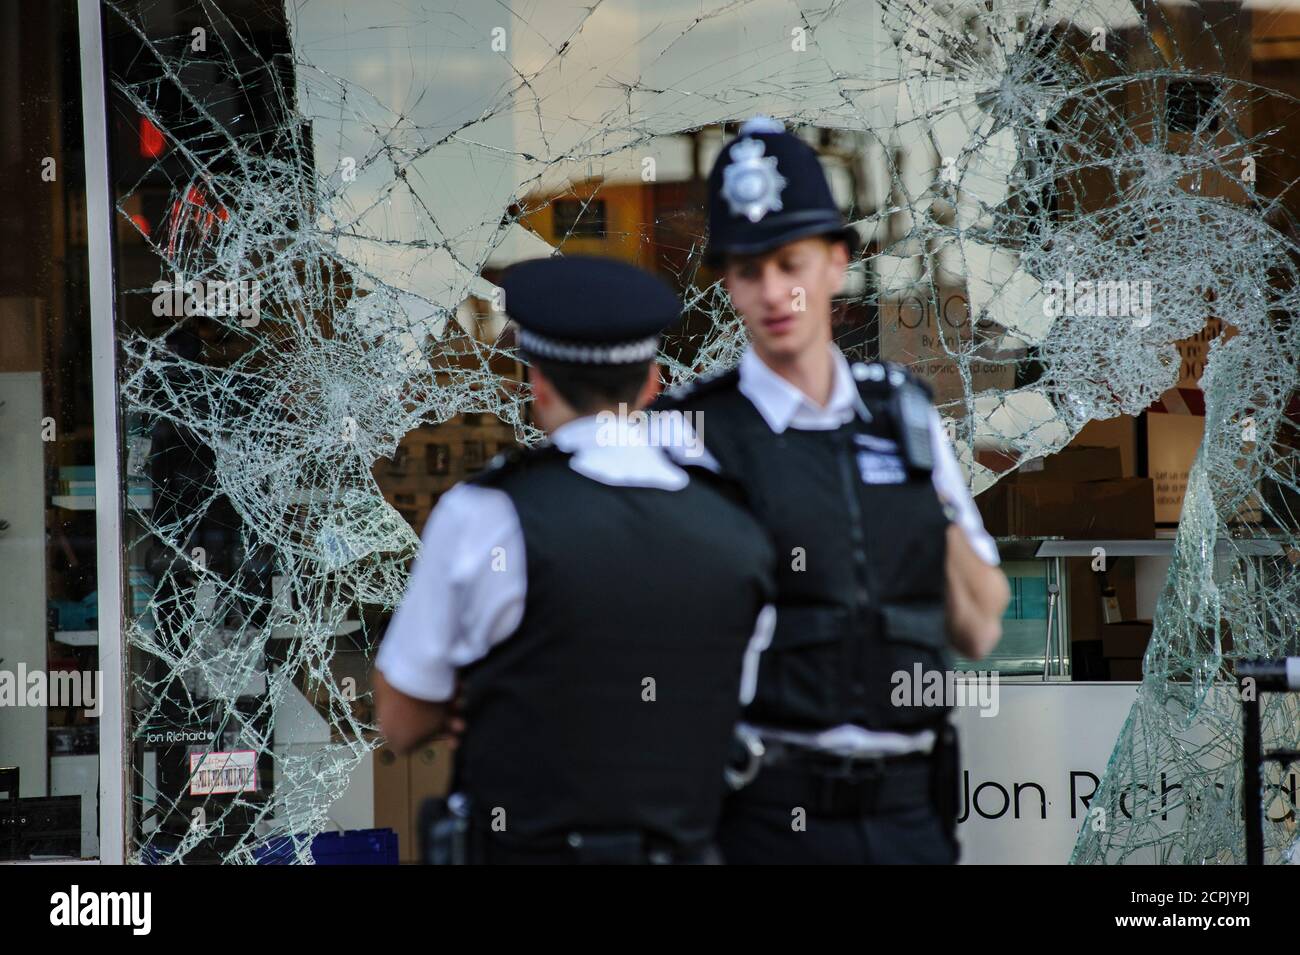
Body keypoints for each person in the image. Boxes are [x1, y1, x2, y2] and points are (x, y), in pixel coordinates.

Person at [655, 116, 1011, 864]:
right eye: (749, 271)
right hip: (766, 815)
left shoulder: (904, 416)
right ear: (727, 282)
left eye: (791, 262)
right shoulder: (691, 434)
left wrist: (913, 493)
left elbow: (979, 628)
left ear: (837, 261)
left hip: (912, 813)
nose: (774, 291)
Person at [373, 255, 776, 864]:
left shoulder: (487, 515)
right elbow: (743, 703)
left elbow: (401, 722)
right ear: (653, 383)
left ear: (536, 384)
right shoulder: (739, 525)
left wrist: (490, 696)